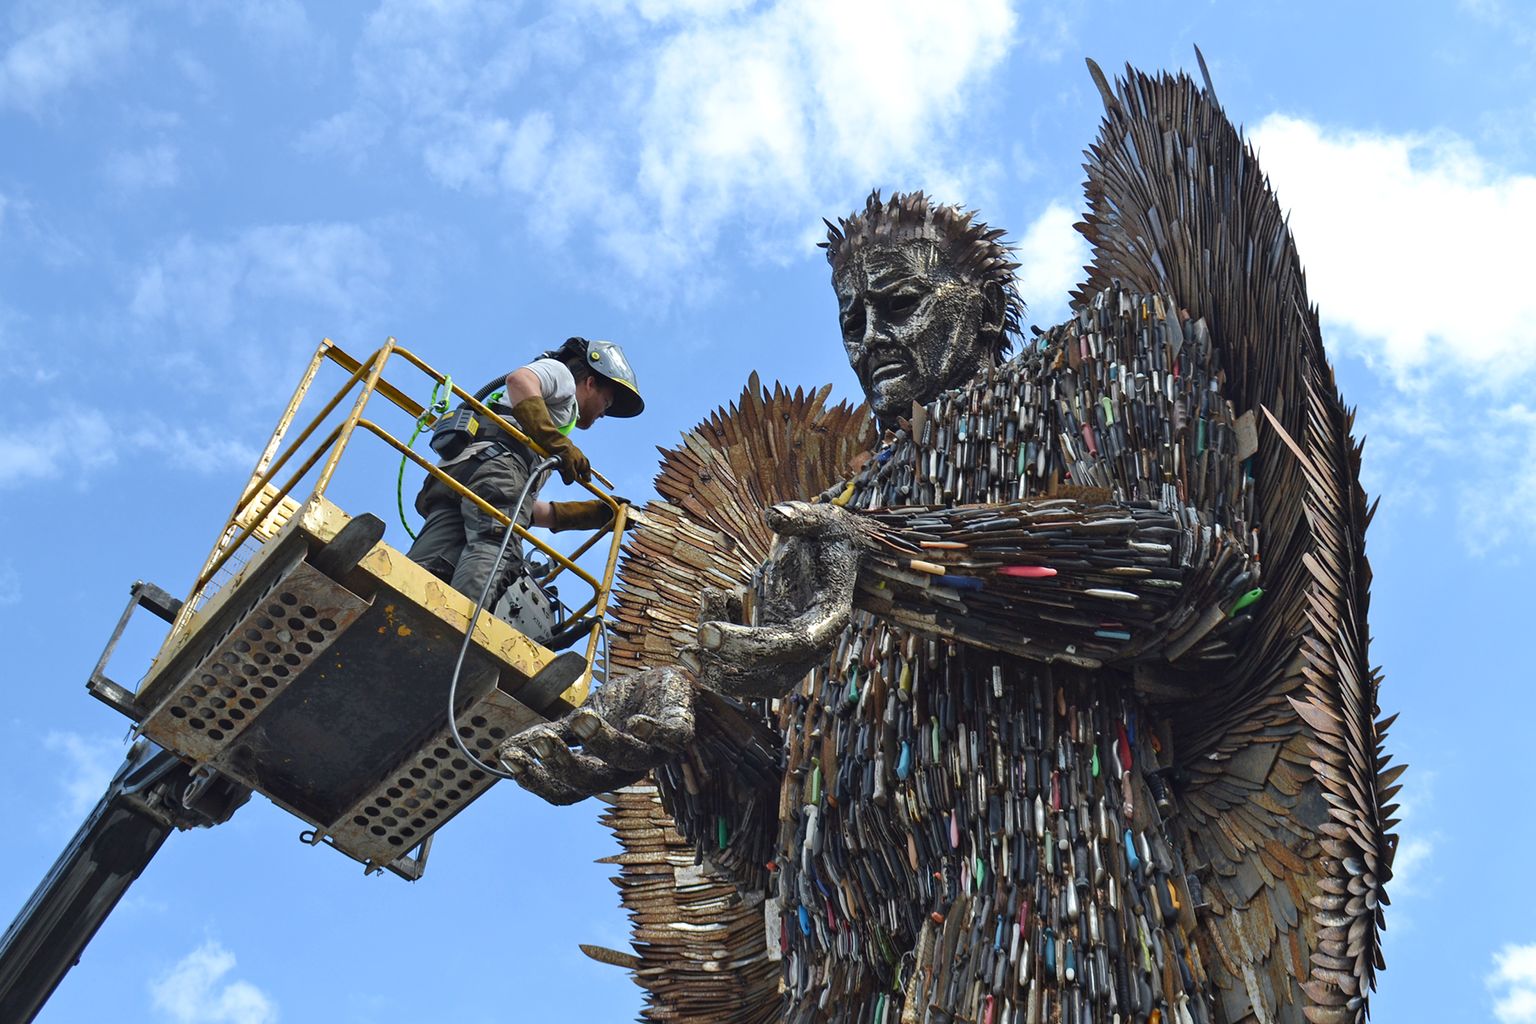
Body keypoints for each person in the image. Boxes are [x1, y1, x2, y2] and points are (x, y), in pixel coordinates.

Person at [406, 336, 644, 613]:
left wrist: (596, 514)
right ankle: (459, 625)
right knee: (499, 544)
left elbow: (518, 506)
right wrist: (558, 442)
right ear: (591, 382)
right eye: (607, 400)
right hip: (495, 466)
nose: (605, 412)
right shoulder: (562, 376)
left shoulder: (532, 437)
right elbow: (519, 380)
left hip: (460, 474)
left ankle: (402, 602)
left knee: (437, 556)